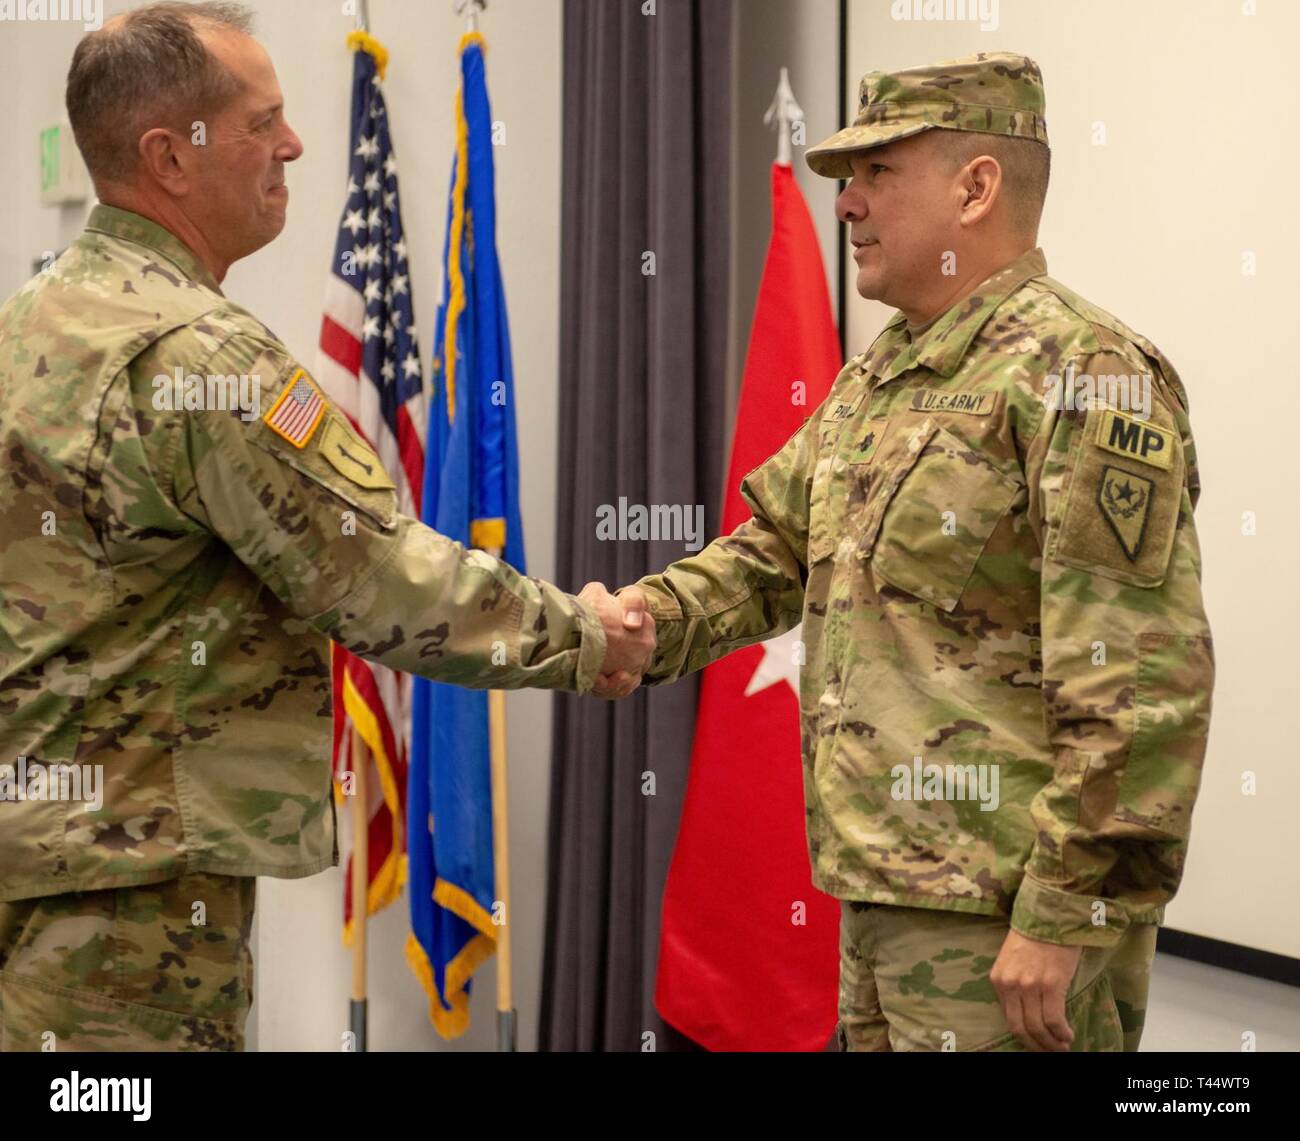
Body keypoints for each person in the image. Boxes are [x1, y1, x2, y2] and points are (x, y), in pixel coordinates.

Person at [0, 1, 654, 1051]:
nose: (293, 144)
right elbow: (376, 576)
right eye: (262, 123)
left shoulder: (35, 320)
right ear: (170, 157)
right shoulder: (196, 357)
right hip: (133, 897)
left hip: (41, 851)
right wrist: (583, 633)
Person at [593, 51, 1214, 1052]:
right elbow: (772, 558)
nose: (849, 205)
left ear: (975, 187)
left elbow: (1142, 683)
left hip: (1008, 927)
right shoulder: (880, 374)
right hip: (880, 900)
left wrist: (1063, 909)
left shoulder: (1088, 374)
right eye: (849, 180)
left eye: (878, 172)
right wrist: (630, 625)